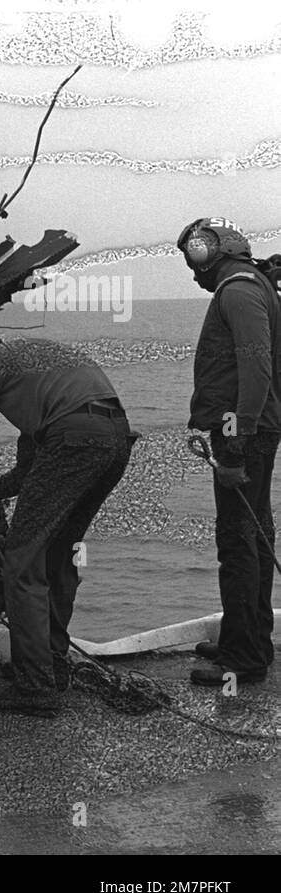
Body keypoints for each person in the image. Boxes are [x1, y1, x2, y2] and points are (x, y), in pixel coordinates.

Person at [0, 322, 133, 716]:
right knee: (59, 554)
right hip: (114, 438)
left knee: (20, 562)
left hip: (74, 439)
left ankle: (35, 687)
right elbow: (27, 472)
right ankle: (52, 664)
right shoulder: (33, 372)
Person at [179, 217, 281, 686]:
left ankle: (244, 657)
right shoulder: (253, 284)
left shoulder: (238, 291)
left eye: (191, 256)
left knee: (239, 540)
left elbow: (256, 366)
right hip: (255, 429)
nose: (191, 270)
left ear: (207, 251)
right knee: (255, 533)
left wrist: (236, 443)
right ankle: (250, 638)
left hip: (246, 433)